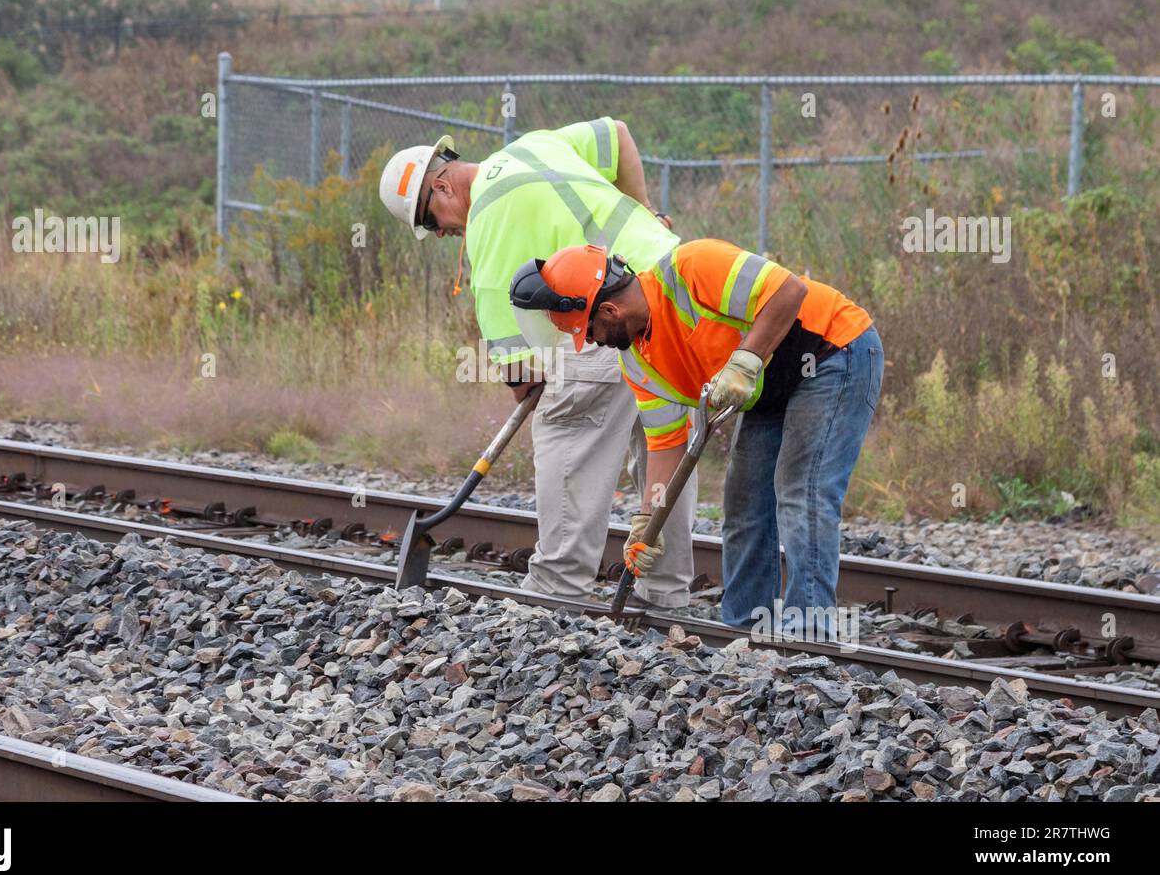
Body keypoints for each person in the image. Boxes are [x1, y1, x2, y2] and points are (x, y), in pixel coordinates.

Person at [378, 119, 698, 609]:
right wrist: (648, 212)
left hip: (602, 321)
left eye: (429, 219)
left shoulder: (488, 219)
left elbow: (520, 367)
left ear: (441, 185)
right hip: (674, 299)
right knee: (665, 445)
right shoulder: (537, 147)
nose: (439, 232)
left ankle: (558, 588)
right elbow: (618, 134)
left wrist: (528, 383)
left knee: (569, 427)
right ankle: (665, 592)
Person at [508, 239, 883, 639]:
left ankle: (810, 635)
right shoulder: (637, 360)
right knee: (744, 505)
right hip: (769, 384)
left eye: (592, 332)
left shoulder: (690, 267)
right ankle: (746, 633)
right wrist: (648, 520)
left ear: (610, 310)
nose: (595, 342)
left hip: (833, 351)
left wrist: (747, 359)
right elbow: (666, 445)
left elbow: (790, 290)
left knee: (800, 491)